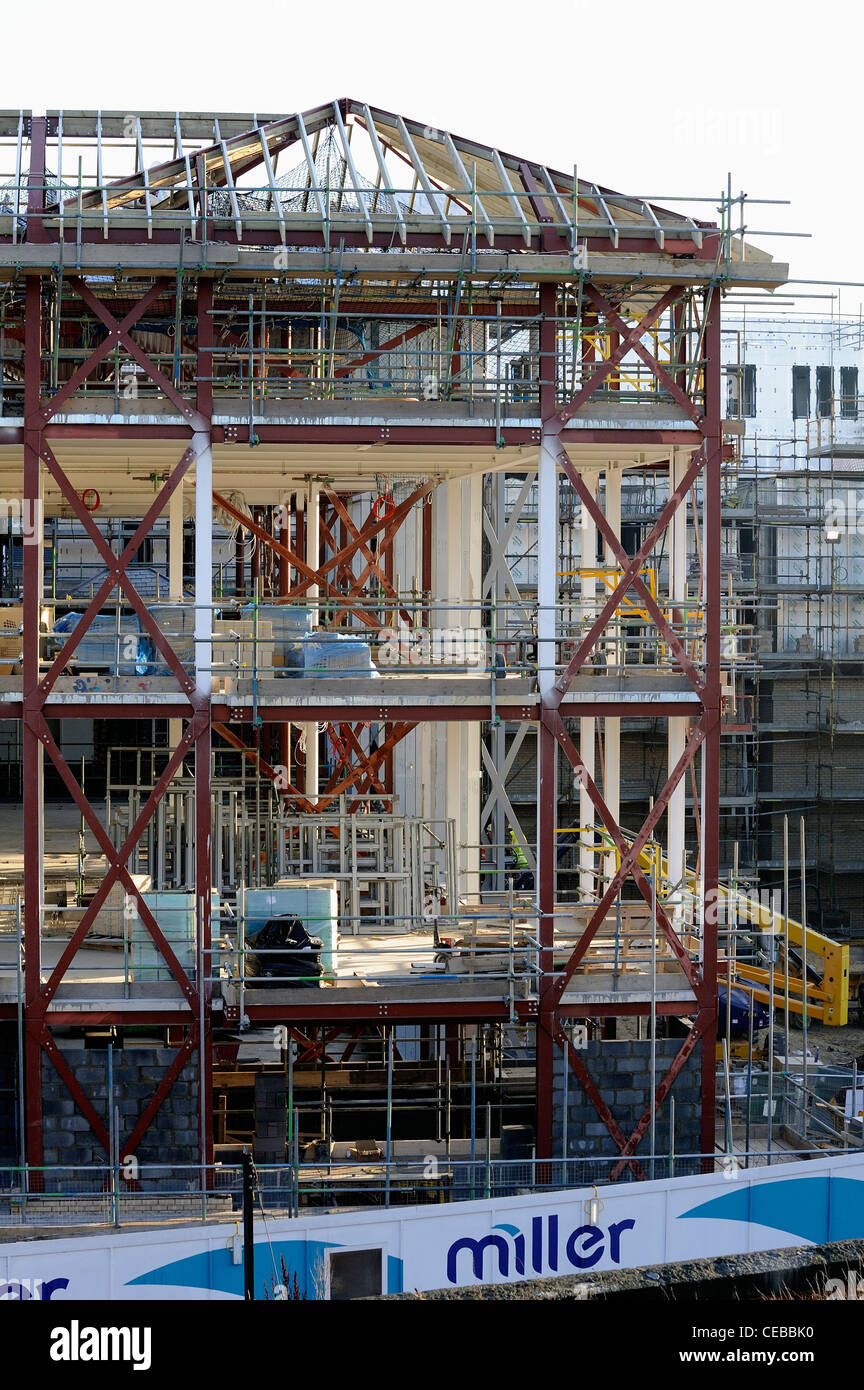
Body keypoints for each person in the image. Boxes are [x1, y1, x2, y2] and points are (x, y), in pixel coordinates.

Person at [507, 826, 534, 891]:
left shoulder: (513, 835)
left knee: (508, 870)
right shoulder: (521, 835)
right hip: (524, 860)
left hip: (518, 861)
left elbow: (512, 848)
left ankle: (511, 886)